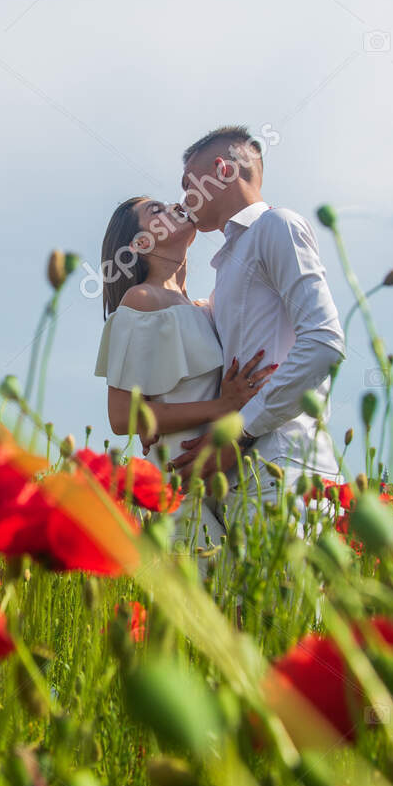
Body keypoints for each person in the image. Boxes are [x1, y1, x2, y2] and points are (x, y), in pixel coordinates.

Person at [166, 126, 345, 527]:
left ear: (220, 169)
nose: (183, 200)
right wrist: (158, 420)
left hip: (286, 464)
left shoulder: (277, 226)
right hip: (240, 476)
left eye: (187, 183)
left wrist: (241, 432)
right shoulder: (228, 267)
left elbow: (324, 342)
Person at [94, 195, 276, 551]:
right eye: (156, 211)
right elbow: (121, 416)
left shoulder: (202, 309)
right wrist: (221, 407)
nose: (174, 208)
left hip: (226, 476)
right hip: (178, 486)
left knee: (241, 600)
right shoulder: (141, 300)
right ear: (142, 243)